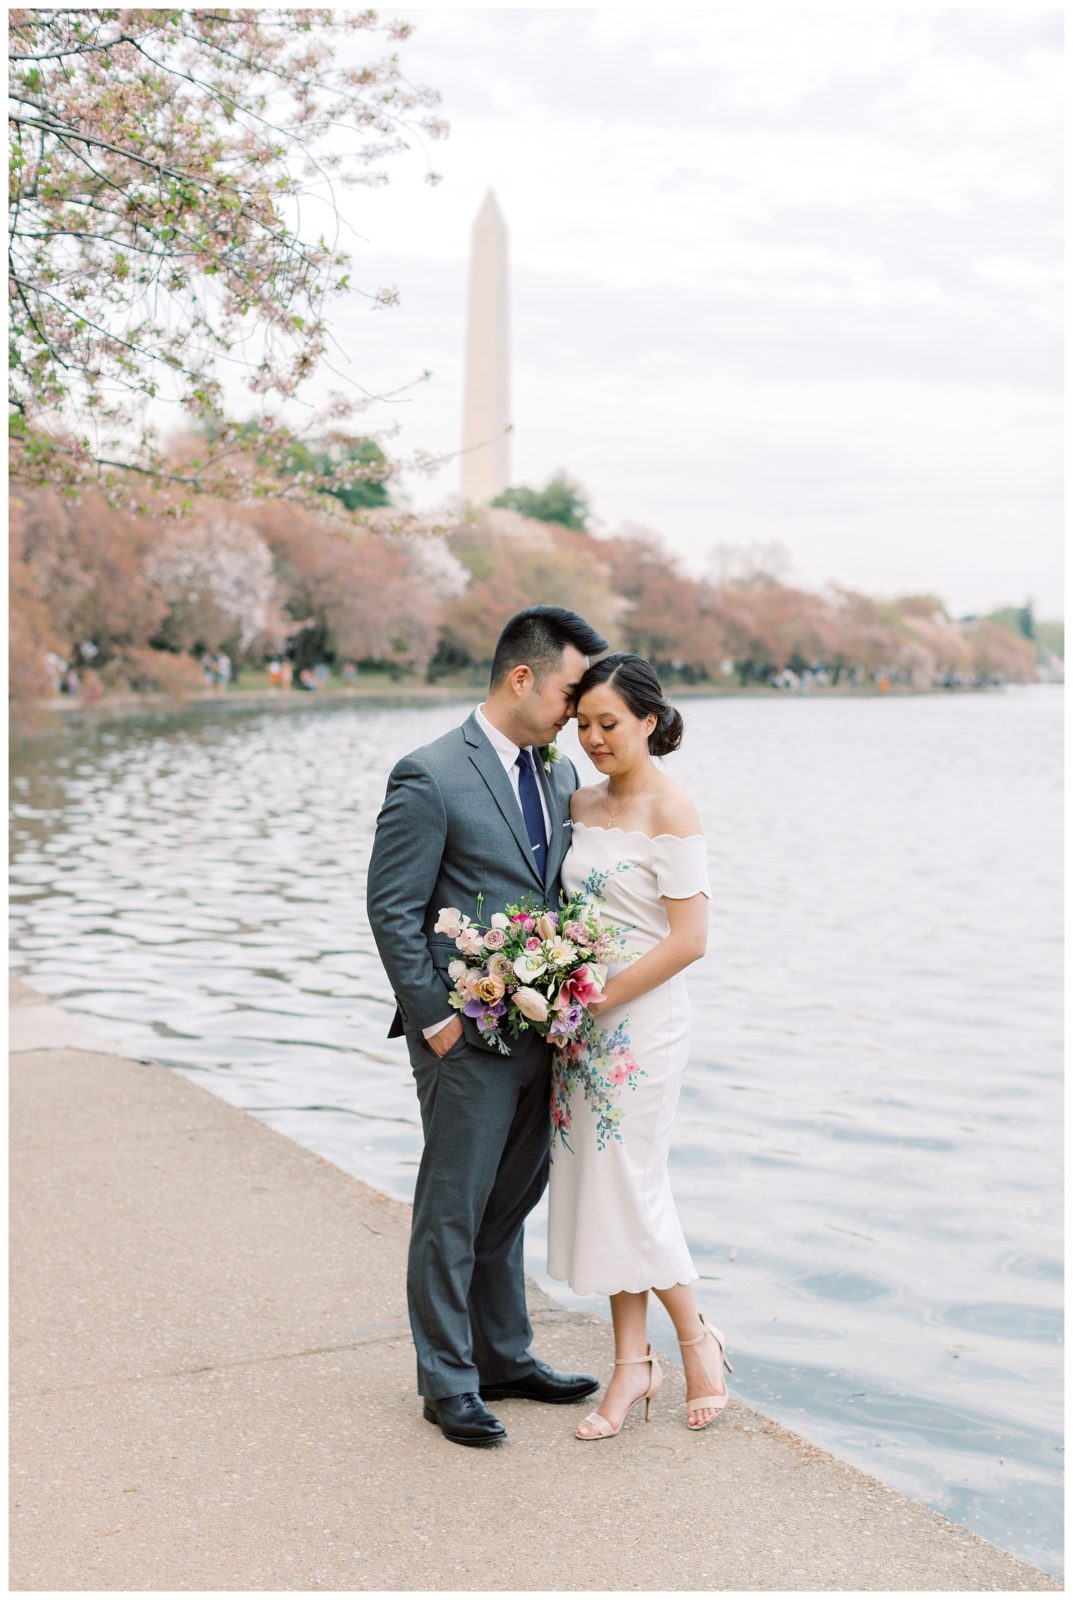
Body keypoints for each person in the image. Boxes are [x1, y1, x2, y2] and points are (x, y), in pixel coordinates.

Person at [367, 606, 609, 1448]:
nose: (575, 711)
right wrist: (434, 1020)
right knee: (454, 1208)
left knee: (511, 1203)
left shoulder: (555, 768)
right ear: (522, 678)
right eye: (571, 692)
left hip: (543, 1031)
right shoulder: (428, 774)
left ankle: (504, 1357)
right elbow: (392, 908)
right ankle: (447, 1381)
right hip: (462, 1037)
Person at [547, 652, 732, 1439]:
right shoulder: (580, 800)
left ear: (649, 722)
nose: (592, 738)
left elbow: (690, 939)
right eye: (583, 724)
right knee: (603, 1189)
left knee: (631, 1182)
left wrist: (595, 997)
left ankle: (696, 1341)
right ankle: (631, 1367)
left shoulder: (672, 809)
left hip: (641, 1024)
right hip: (575, 1027)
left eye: (609, 724)